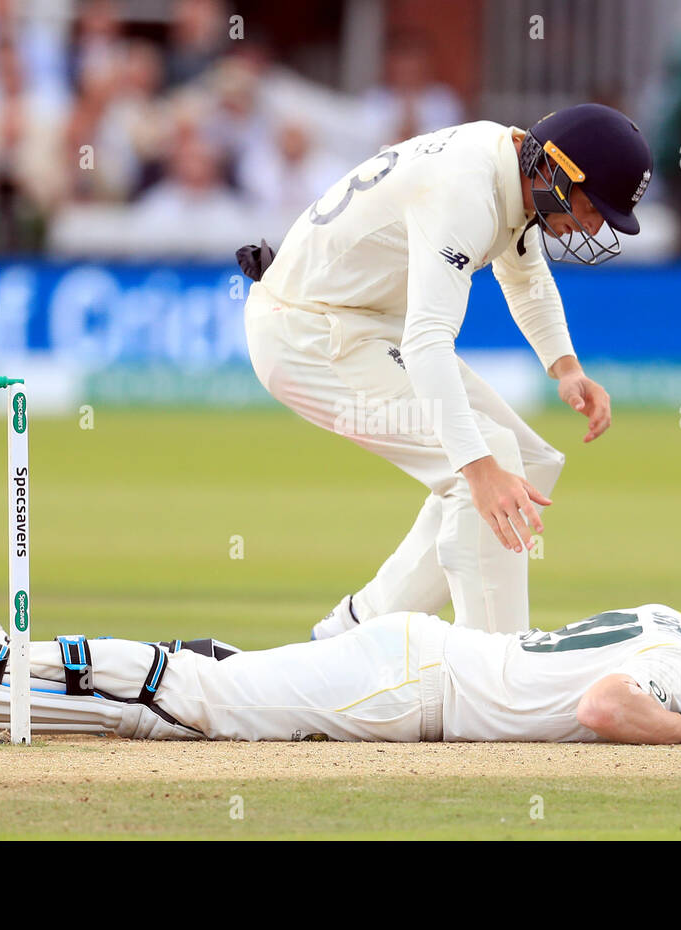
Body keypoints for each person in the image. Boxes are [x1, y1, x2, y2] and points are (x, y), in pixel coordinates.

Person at [236, 104, 654, 640]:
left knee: (526, 461)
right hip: (305, 333)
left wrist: (566, 368)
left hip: (361, 323)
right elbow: (428, 341)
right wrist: (477, 472)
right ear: (555, 169)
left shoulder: (506, 167)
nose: (594, 225)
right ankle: (497, 673)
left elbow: (524, 276)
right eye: (593, 205)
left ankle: (353, 636)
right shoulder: (465, 192)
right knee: (488, 462)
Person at [0, 582, 681, 745]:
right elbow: (602, 706)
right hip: (412, 686)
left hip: (414, 664)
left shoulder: (680, 626)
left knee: (210, 684)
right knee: (207, 699)